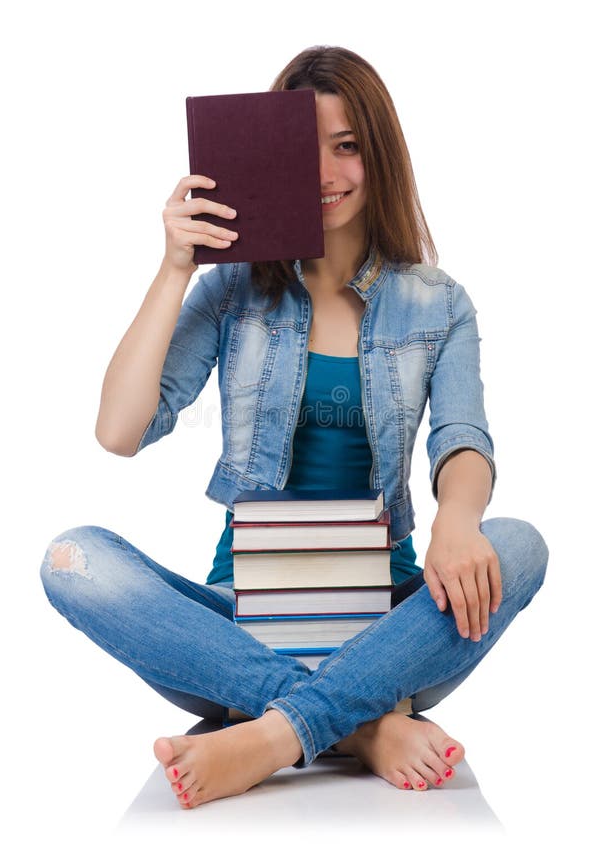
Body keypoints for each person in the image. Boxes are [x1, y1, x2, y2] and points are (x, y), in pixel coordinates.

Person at [40, 45, 548, 810]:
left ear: (379, 154)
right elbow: (119, 430)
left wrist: (458, 519)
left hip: (387, 623)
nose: (324, 173)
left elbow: (462, 438)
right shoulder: (233, 290)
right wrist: (176, 266)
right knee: (73, 560)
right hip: (239, 625)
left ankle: (271, 733)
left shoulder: (438, 302)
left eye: (346, 146)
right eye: (303, 148)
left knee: (518, 544)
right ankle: (358, 724)